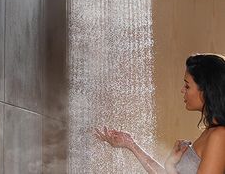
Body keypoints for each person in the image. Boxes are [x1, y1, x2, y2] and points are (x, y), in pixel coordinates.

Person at [95, 53, 225, 174]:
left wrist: (170, 166)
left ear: (206, 90)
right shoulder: (211, 132)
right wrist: (131, 145)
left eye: (187, 86)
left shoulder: (219, 136)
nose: (182, 90)